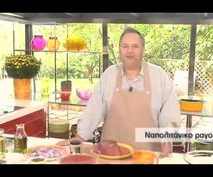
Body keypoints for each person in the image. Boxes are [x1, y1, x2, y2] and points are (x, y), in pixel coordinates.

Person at [65, 27, 180, 157]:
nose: (129, 51)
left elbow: (170, 112)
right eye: (125, 46)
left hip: (147, 155)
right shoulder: (109, 75)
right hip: (111, 155)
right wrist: (79, 137)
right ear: (120, 50)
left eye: (135, 46)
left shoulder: (159, 76)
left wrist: (167, 138)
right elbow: (94, 110)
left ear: (143, 50)